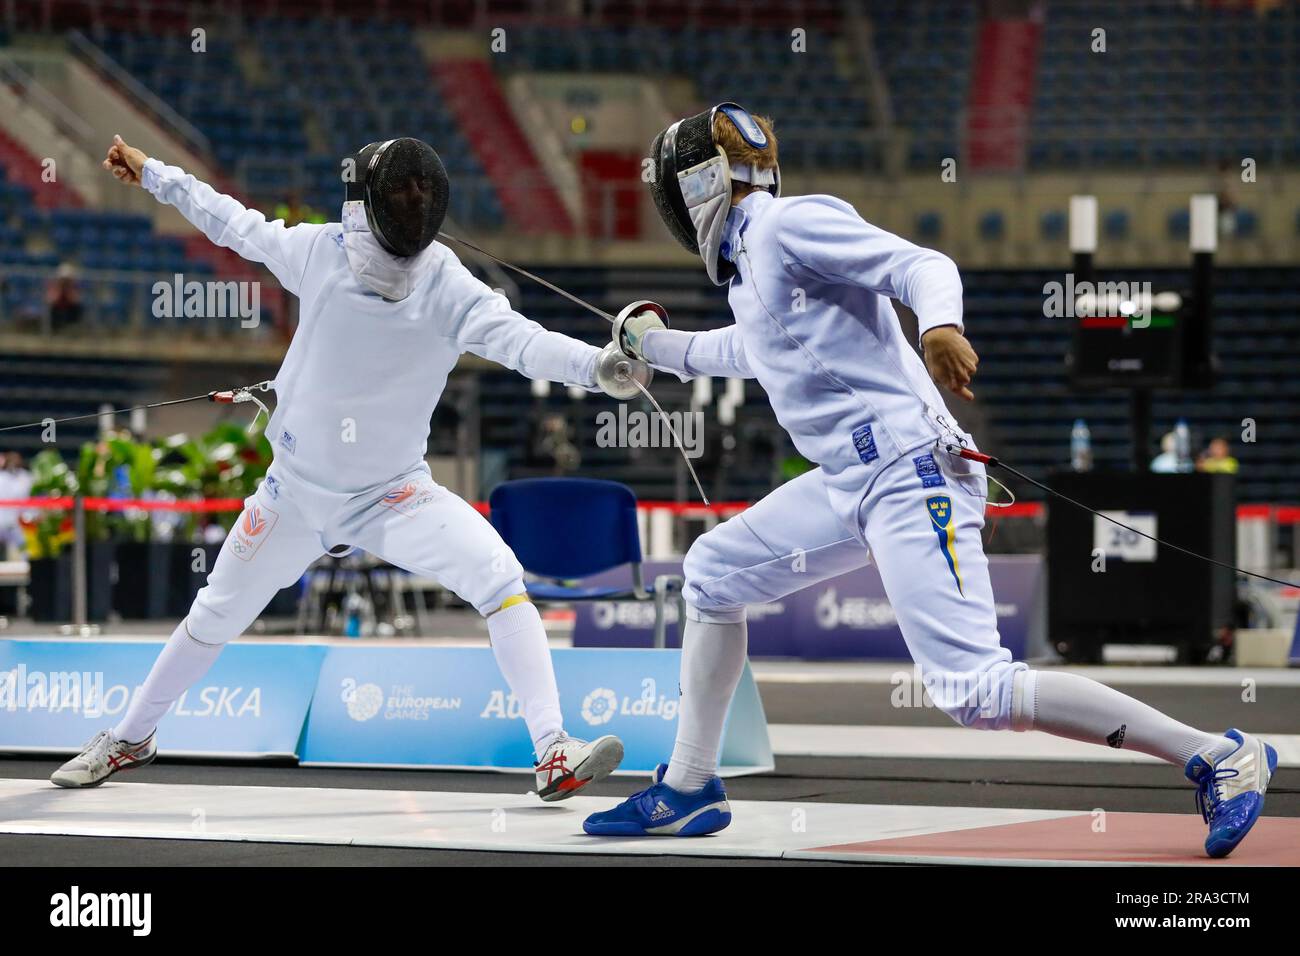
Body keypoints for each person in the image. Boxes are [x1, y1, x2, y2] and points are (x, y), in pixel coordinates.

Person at [583, 104, 1276, 858]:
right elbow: (748, 351)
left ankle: (1218, 755)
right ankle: (688, 788)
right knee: (712, 573)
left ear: (702, 188)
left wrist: (940, 324)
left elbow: (921, 266)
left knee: (975, 691)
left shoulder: (788, 227)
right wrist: (649, 344)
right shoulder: (753, 274)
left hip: (909, 471)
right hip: (849, 480)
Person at [52, 134, 645, 800]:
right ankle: (130, 736)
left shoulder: (448, 284)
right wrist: (155, 174)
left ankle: (552, 751)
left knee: (498, 575)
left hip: (392, 495)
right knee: (213, 615)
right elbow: (231, 222)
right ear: (367, 200)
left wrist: (598, 368)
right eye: (402, 190)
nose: (415, 201)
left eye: (423, 189)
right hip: (294, 495)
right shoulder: (320, 252)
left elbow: (524, 343)